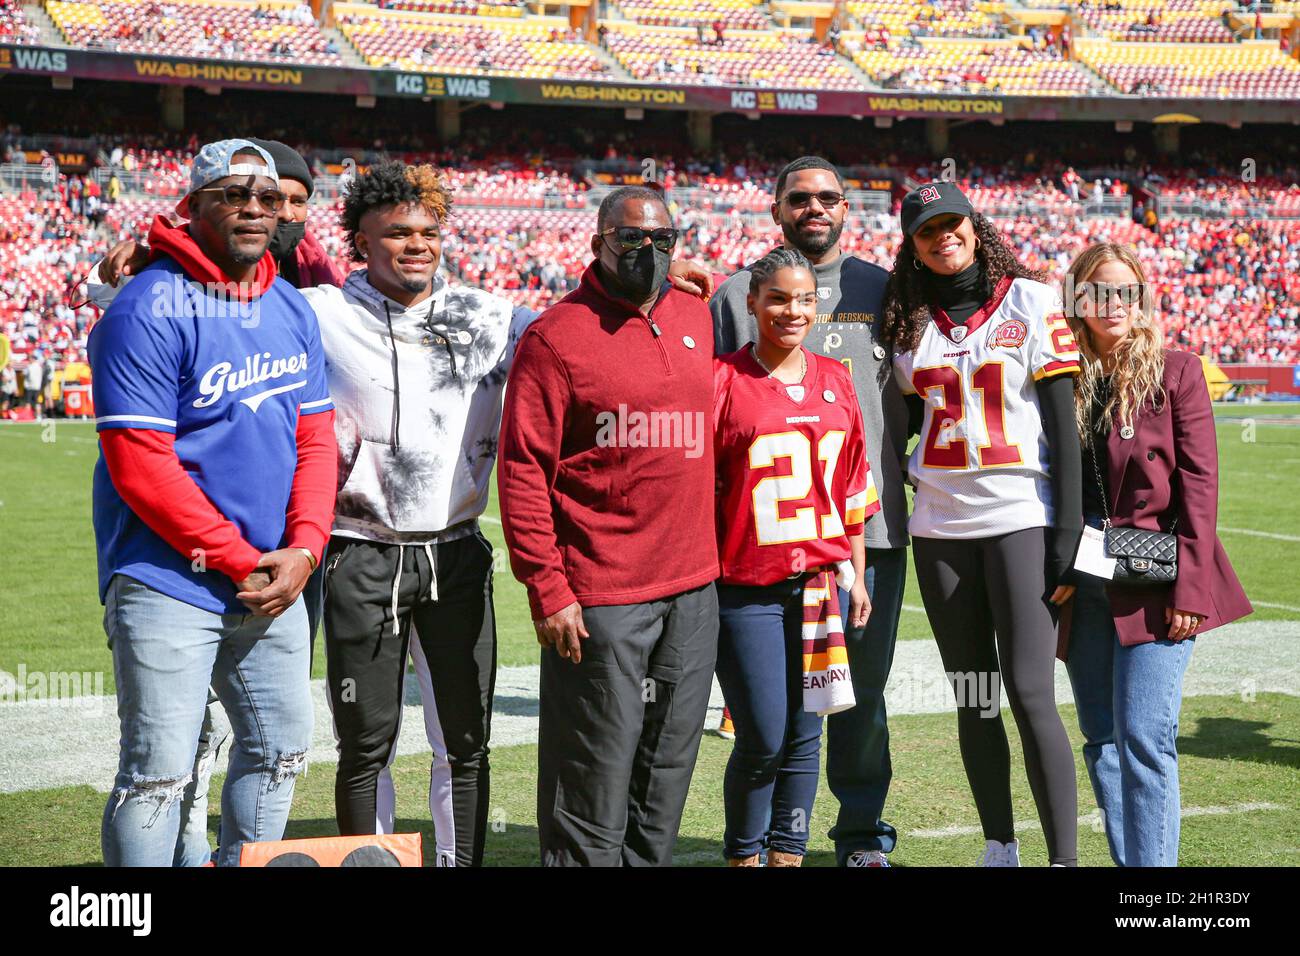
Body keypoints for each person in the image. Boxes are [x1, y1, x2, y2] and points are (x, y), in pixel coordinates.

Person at [88, 139, 335, 866]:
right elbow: (141, 467)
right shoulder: (145, 306)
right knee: (159, 774)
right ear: (193, 206)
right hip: (170, 579)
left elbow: (316, 441)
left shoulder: (289, 304)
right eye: (231, 194)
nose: (253, 209)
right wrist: (239, 560)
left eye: (265, 196)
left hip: (274, 580)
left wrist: (306, 548)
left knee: (282, 752)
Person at [499, 185, 720, 866]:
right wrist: (550, 589)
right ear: (597, 242)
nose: (646, 251)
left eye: (661, 239)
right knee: (590, 777)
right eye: (630, 239)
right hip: (602, 596)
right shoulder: (553, 337)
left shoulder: (697, 314)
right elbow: (522, 472)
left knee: (665, 773)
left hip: (693, 588)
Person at [712, 156, 907, 868]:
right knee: (774, 721)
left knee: (854, 700)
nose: (815, 207)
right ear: (777, 209)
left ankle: (858, 838)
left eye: (829, 197)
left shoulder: (884, 289)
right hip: (758, 549)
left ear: (847, 208)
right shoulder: (733, 294)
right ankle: (754, 845)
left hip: (864, 537)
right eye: (800, 197)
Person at [882, 181, 1083, 867]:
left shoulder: (1031, 300)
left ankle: (1064, 859)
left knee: (1030, 694)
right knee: (975, 697)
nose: (944, 237)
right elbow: (898, 428)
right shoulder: (907, 322)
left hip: (1021, 521)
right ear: (911, 244)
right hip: (939, 529)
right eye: (927, 230)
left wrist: (1069, 535)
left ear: (975, 225)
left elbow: (1064, 426)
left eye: (952, 223)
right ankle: (1000, 845)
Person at [1059, 242, 1252, 866]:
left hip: (1157, 577)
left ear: (1141, 298)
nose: (1111, 302)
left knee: (1145, 738)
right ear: (1076, 300)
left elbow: (1200, 487)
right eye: (1096, 290)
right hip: (1083, 578)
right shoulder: (1059, 374)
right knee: (1101, 739)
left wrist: (1191, 592)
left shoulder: (1177, 370)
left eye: (1123, 290)